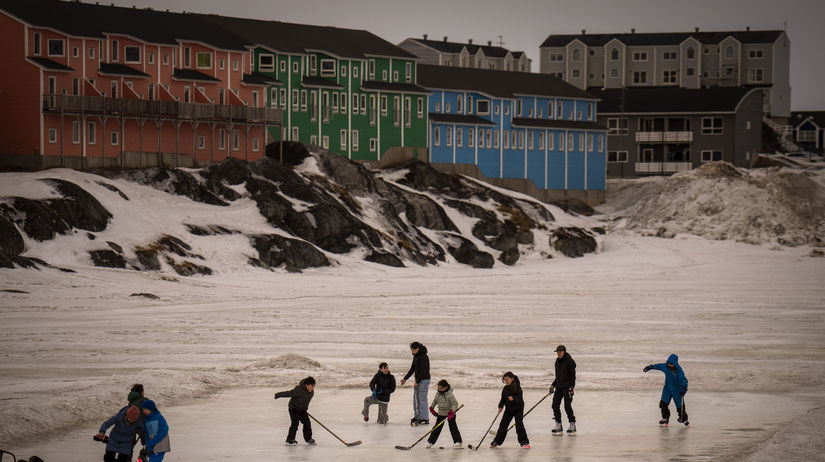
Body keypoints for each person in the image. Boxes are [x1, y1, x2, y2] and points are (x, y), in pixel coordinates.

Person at [643, 354, 689, 426]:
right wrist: (650, 367)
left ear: (675, 364)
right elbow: (658, 366)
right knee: (663, 404)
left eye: (671, 364)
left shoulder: (679, 371)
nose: (669, 365)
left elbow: (684, 380)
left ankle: (684, 419)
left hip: (677, 390)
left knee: (680, 406)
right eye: (668, 363)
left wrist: (684, 388)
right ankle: (665, 418)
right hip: (667, 389)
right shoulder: (665, 366)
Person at [490, 371, 529, 449]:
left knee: (519, 425)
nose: (506, 381)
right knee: (503, 425)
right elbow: (503, 399)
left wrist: (513, 398)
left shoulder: (518, 388)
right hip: (509, 409)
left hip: (518, 408)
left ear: (512, 379)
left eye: (507, 379)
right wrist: (500, 406)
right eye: (505, 380)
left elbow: (519, 399)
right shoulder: (505, 389)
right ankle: (497, 441)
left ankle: (524, 442)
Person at [274, 376, 316, 445]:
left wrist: (304, 409)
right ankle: (290, 440)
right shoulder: (299, 390)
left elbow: (305, 402)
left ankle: (308, 438)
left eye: (314, 386)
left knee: (307, 423)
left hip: (302, 410)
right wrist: (278, 395)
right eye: (311, 386)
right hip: (294, 409)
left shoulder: (311, 392)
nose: (313, 388)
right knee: (295, 423)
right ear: (307, 385)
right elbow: (289, 393)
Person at [400, 341, 430, 425]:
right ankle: (417, 416)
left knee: (422, 398)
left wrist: (418, 381)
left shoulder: (424, 357)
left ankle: (424, 417)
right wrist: (405, 378)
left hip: (424, 380)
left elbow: (424, 370)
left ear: (417, 349)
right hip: (419, 380)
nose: (411, 351)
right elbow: (412, 368)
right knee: (416, 398)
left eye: (412, 349)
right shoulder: (416, 356)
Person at [426, 379, 463, 448]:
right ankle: (431, 441)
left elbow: (455, 404)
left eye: (441, 388)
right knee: (436, 428)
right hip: (441, 413)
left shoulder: (450, 395)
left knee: (453, 427)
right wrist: (431, 408)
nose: (439, 389)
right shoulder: (438, 393)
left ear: (445, 387)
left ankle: (458, 442)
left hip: (450, 414)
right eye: (438, 388)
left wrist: (452, 411)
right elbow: (435, 401)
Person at [549, 344, 577, 435]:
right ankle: (558, 425)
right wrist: (553, 385)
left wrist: (571, 388)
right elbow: (558, 377)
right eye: (557, 352)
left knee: (567, 406)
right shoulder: (557, 362)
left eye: (560, 352)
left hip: (567, 387)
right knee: (555, 405)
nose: (559, 353)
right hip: (559, 387)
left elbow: (573, 377)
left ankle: (572, 425)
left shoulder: (570, 362)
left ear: (564, 352)